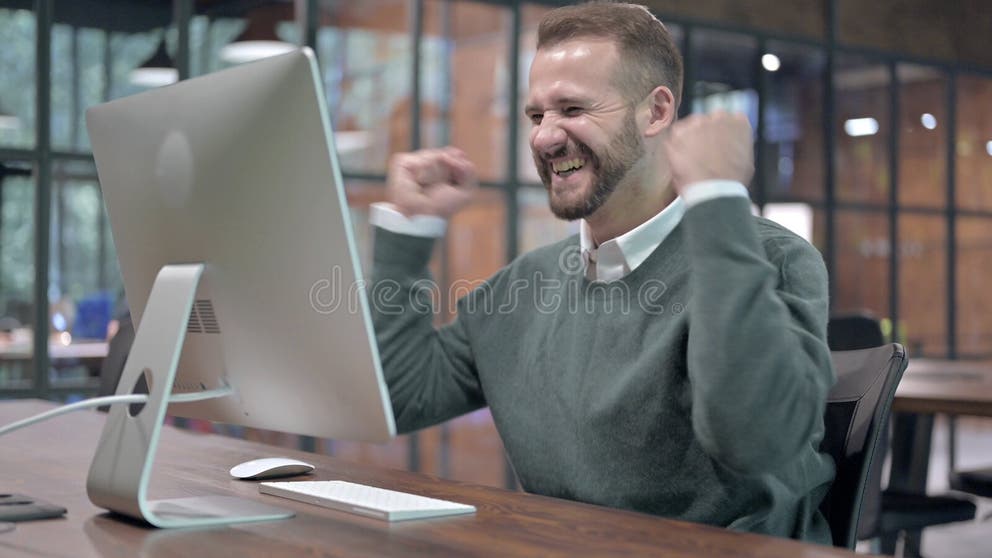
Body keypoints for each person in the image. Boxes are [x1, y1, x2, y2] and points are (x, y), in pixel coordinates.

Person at [368, 1, 835, 544]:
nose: (544, 138)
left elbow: (753, 441)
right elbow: (400, 399)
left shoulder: (772, 258)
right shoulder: (523, 287)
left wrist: (717, 198)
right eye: (537, 115)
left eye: (572, 108)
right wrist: (409, 231)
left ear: (657, 112)